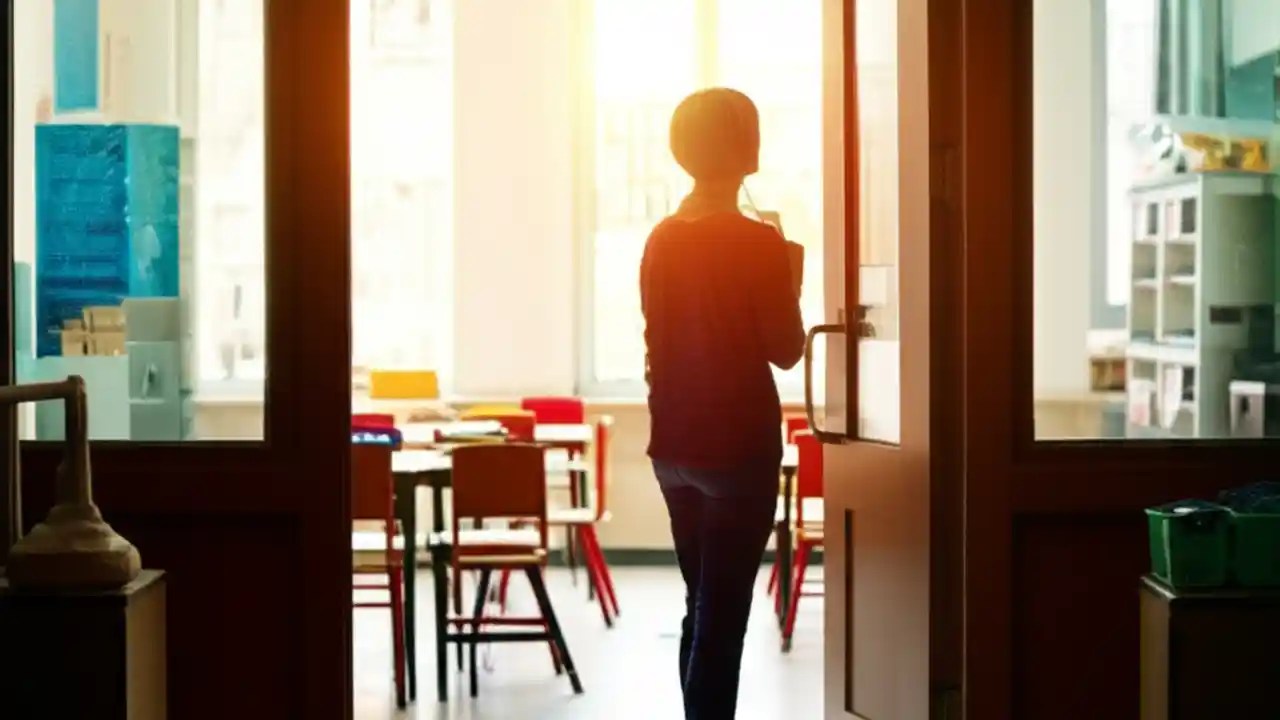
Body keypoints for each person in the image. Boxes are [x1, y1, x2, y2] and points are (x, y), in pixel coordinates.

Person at [640, 88, 806, 719]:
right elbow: (786, 349)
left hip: (673, 445)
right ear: (744, 148)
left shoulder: (660, 238)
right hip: (737, 447)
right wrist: (788, 272)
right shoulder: (755, 241)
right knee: (724, 616)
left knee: (701, 603)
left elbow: (659, 334)